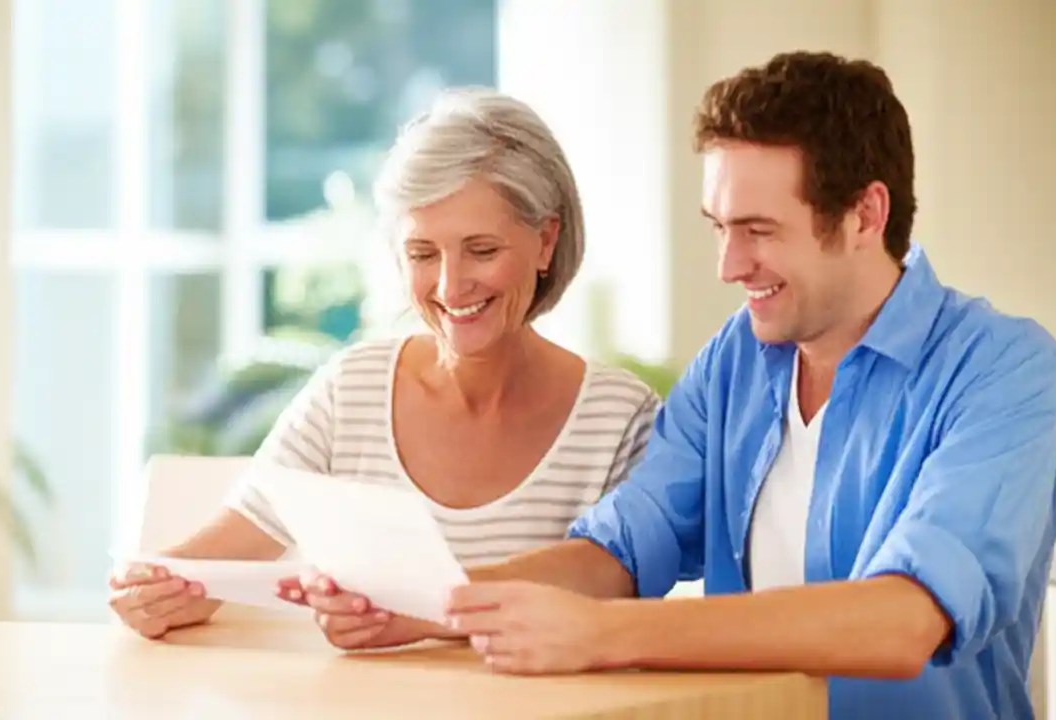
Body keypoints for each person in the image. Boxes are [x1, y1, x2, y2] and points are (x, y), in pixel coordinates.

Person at [288, 52, 1056, 719]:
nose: (728, 266)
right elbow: (619, 551)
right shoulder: (737, 362)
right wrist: (427, 604)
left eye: (758, 231)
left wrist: (603, 634)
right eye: (719, 228)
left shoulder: (1006, 372)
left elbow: (900, 621)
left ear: (865, 213)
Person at [108, 88, 660, 642]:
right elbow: (220, 559)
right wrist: (153, 588)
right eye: (422, 254)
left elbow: (618, 586)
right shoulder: (352, 389)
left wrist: (420, 614)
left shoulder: (619, 417)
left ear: (546, 242)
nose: (450, 285)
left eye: (482, 250)